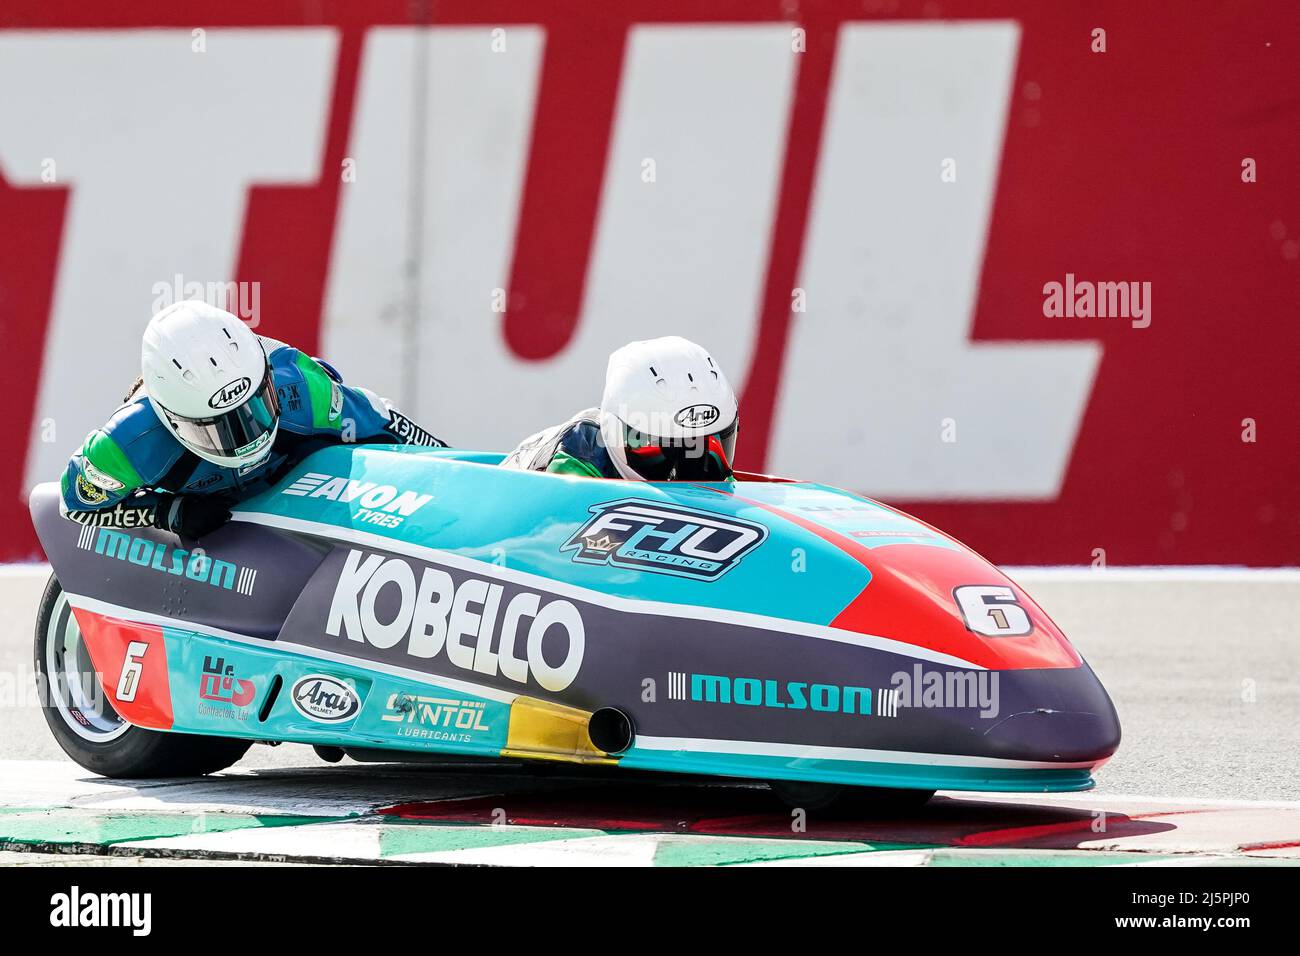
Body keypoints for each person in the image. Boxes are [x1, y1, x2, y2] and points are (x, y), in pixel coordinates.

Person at [60, 300, 446, 538]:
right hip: (211, 531)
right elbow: (73, 504)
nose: (246, 438)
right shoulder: (128, 442)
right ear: (172, 419)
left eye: (252, 409)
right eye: (216, 427)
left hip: (303, 497)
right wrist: (165, 513)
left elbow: (386, 421)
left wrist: (450, 465)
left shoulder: (300, 384)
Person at [502, 336, 737, 481]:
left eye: (710, 447)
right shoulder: (578, 459)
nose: (686, 476)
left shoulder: (716, 479)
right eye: (660, 453)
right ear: (615, 431)